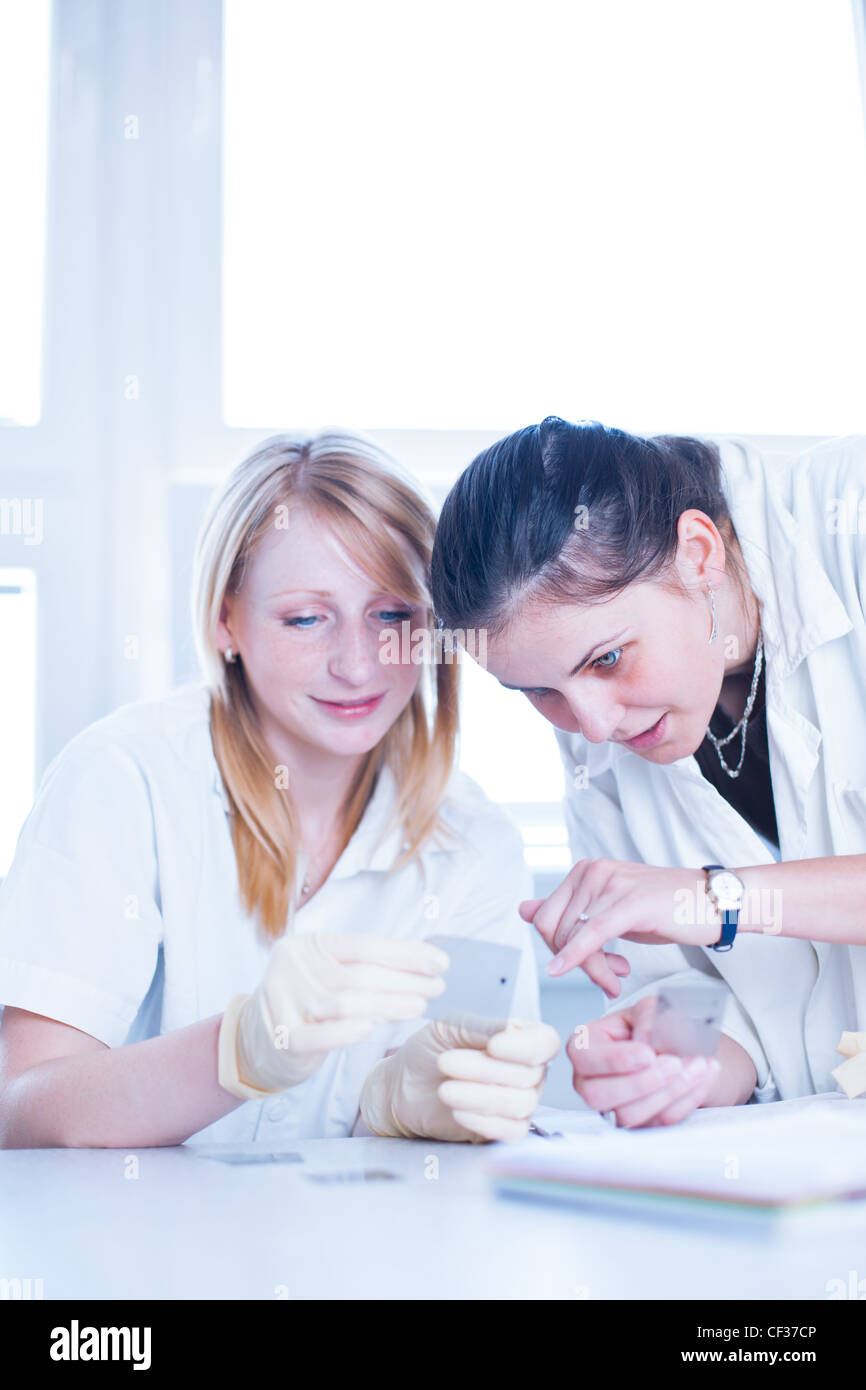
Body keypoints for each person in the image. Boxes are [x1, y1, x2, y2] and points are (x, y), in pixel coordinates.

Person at [0, 431, 559, 1149]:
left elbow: (471, 1095)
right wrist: (236, 1052)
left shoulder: (476, 842)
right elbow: (20, 1110)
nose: (358, 666)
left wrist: (411, 1109)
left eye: (393, 616)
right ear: (225, 620)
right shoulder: (122, 783)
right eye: (305, 619)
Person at [430, 416, 866, 1128]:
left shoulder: (853, 523)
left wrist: (717, 901)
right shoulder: (592, 717)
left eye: (607, 659)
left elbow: (712, 905)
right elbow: (724, 1029)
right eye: (537, 692)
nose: (594, 727)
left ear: (699, 553)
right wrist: (669, 1062)